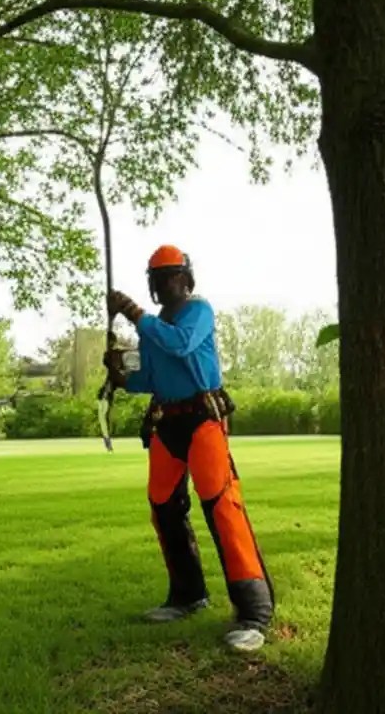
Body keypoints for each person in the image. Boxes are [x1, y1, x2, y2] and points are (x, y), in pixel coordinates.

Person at [103, 244, 274, 653]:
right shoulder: (156, 323)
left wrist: (133, 314)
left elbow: (179, 345)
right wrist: (121, 376)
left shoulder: (199, 311)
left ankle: (254, 612)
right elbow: (153, 376)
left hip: (203, 419)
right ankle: (186, 594)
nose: (164, 285)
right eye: (158, 279)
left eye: (169, 277)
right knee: (162, 506)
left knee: (221, 504)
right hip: (167, 422)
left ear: (185, 279)